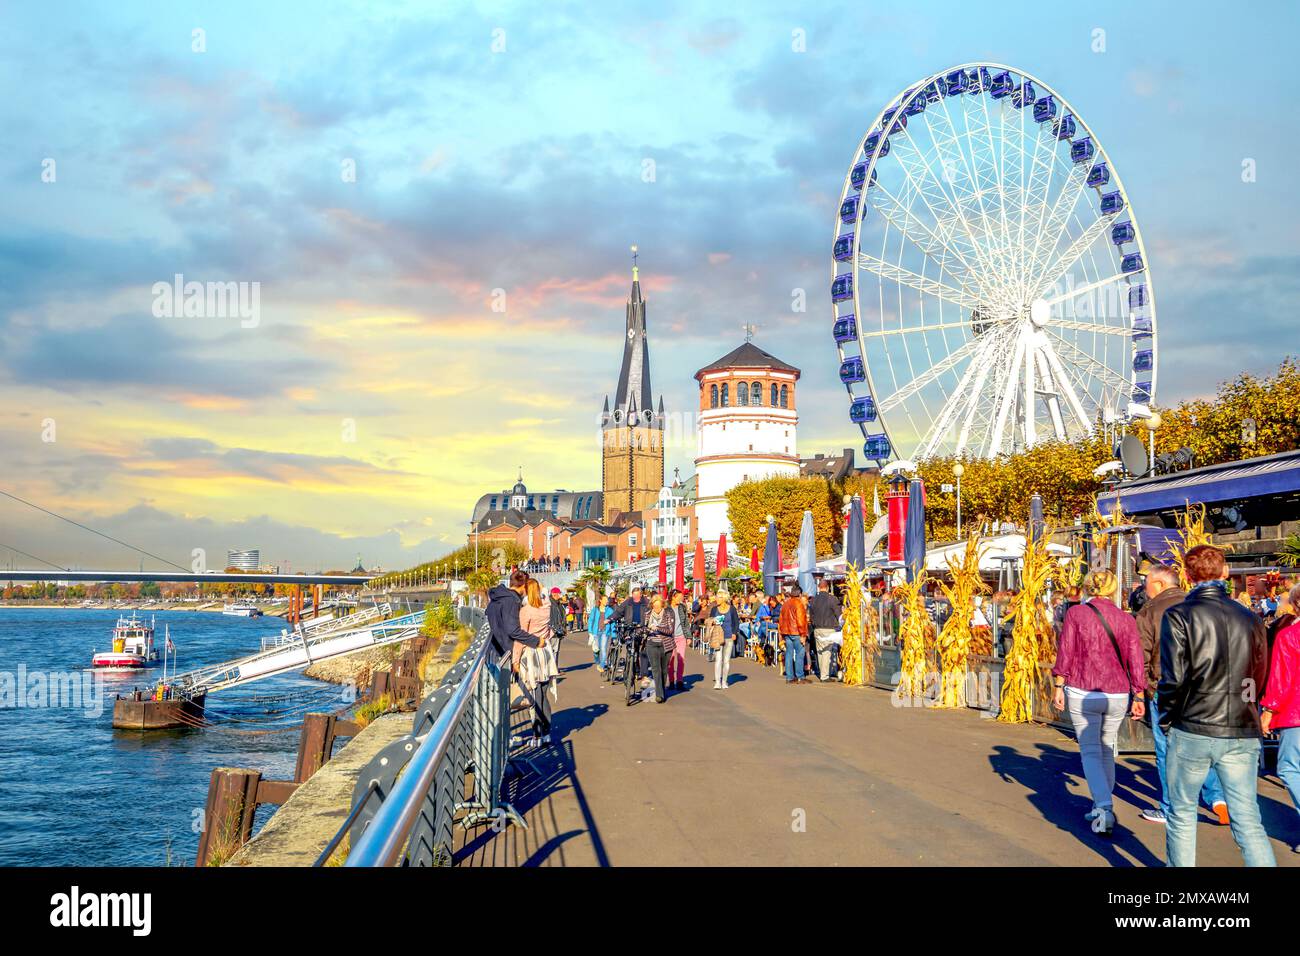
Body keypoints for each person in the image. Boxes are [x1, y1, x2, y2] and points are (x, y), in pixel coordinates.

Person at [1159, 545, 1274, 867]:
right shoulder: (1250, 618)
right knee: (1248, 818)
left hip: (1194, 723)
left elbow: (1174, 677)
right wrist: (1249, 705)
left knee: (1182, 814)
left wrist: (1167, 717)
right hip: (1241, 722)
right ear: (1224, 573)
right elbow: (1259, 670)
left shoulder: (1180, 615)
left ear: (1187, 575)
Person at [1051, 569, 1146, 837]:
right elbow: (1135, 658)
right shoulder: (1126, 619)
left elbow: (1066, 650)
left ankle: (1104, 806)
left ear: (1088, 588)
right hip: (1117, 692)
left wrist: (1059, 684)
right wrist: (1139, 693)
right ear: (1114, 588)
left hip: (1083, 690)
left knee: (1091, 750)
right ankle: (1100, 803)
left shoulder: (1076, 614)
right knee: (1107, 746)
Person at [1135, 566, 1229, 825]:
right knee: (1202, 744)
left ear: (1160, 585)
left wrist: (1143, 690)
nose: (1145, 588)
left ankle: (1170, 807)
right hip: (1203, 688)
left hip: (1165, 687)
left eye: (1147, 583)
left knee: (1168, 749)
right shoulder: (1199, 605)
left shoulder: (1150, 612)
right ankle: (1217, 797)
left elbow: (1141, 655)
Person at [1261, 583, 1300, 852]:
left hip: (1295, 711)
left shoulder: (1290, 635)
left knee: (1289, 767)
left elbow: (1281, 677)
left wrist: (1269, 710)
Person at [519, 578, 557, 742]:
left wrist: (515, 659)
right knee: (543, 694)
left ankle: (536, 735)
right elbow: (546, 594)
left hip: (532, 653)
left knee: (534, 697)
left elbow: (521, 636)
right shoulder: (546, 606)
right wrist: (540, 587)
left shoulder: (526, 610)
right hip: (546, 652)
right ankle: (547, 733)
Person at [486, 568, 536, 662]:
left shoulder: (499, 597)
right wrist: (536, 641)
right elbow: (513, 630)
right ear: (524, 585)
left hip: (496, 648)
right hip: (507, 652)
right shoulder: (511, 601)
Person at [810, 577, 843, 682]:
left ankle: (822, 673)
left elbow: (811, 615)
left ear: (819, 588)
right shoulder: (832, 599)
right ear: (827, 588)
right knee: (826, 652)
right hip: (829, 628)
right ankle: (824, 676)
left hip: (817, 628)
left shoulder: (813, 600)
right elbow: (839, 614)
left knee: (820, 651)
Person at [644, 594, 675, 703]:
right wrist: (646, 630)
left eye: (658, 606)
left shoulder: (669, 614)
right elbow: (644, 628)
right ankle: (659, 695)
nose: (656, 609)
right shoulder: (647, 614)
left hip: (665, 645)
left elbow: (670, 630)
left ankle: (661, 690)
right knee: (656, 669)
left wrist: (658, 628)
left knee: (664, 670)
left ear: (663, 605)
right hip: (651, 644)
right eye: (654, 606)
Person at [779, 584, 810, 684]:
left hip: (787, 632)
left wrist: (782, 633)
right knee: (800, 654)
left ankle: (789, 677)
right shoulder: (799, 604)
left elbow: (781, 619)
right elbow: (800, 621)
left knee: (789, 654)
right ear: (800, 594)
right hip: (796, 632)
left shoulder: (786, 604)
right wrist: (803, 635)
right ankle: (800, 676)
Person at [713, 592, 741, 689]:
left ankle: (724, 681)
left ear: (723, 598)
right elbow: (709, 620)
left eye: (718, 597)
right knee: (718, 659)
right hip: (717, 636)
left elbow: (736, 622)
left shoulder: (732, 609)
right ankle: (717, 682)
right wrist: (712, 621)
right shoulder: (714, 609)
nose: (716, 599)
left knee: (726, 660)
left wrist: (734, 633)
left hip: (729, 636)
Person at [587, 593, 615, 675]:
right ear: (600, 600)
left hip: (605, 632)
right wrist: (590, 631)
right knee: (596, 650)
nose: (606, 601)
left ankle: (602, 666)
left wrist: (613, 634)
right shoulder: (595, 610)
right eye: (605, 600)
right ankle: (597, 661)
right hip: (596, 632)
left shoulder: (610, 610)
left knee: (603, 649)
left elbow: (613, 622)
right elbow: (591, 620)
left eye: (607, 600)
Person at [668, 589, 690, 690]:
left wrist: (688, 636)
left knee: (681, 659)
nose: (681, 599)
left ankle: (680, 681)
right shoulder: (667, 608)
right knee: (671, 660)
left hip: (681, 636)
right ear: (673, 597)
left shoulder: (682, 607)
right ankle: (671, 681)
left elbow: (686, 623)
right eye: (679, 597)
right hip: (670, 637)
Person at [548, 587, 568, 665]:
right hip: (553, 630)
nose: (560, 595)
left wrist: (564, 628)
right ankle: (552, 669)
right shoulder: (550, 604)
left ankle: (554, 668)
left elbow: (562, 616)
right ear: (554, 594)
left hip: (559, 630)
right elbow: (551, 617)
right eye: (559, 593)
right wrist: (553, 628)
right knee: (553, 650)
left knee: (555, 650)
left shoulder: (558, 604)